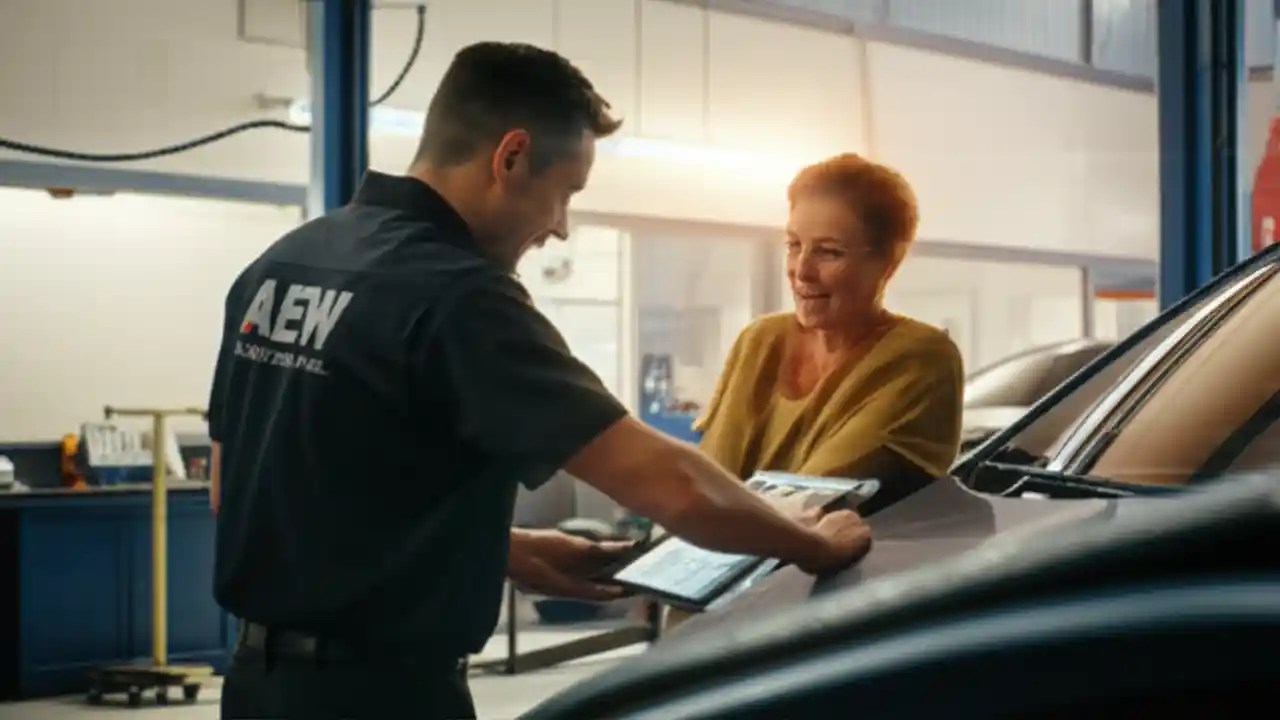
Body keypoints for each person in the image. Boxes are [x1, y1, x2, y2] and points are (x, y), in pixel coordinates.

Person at [206, 41, 871, 719]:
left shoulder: (282, 264)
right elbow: (669, 481)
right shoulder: (460, 297)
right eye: (565, 195)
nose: (559, 227)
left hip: (259, 692)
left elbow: (244, 493)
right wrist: (812, 540)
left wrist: (499, 550)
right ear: (512, 156)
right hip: (384, 697)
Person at [659, 155, 963, 632]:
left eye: (829, 252)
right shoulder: (759, 340)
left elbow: (809, 507)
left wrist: (712, 519)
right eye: (793, 245)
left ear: (887, 260)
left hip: (808, 626)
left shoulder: (921, 356)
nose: (801, 271)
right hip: (698, 616)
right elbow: (707, 486)